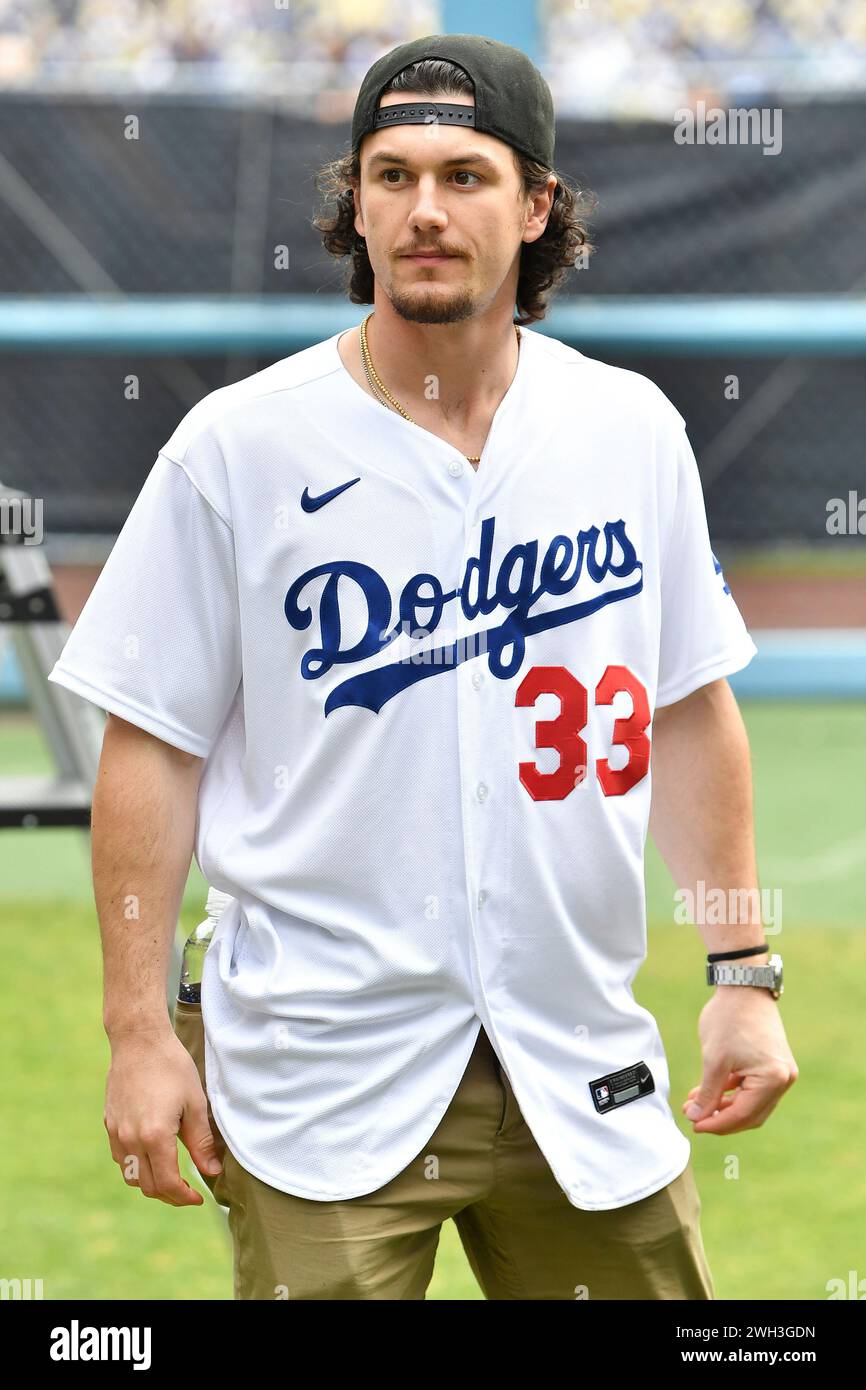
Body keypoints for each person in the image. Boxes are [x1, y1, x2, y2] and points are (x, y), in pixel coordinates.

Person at [48, 33, 797, 1300]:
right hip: (317, 1069)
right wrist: (136, 1032)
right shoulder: (236, 445)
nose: (424, 211)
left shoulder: (628, 430)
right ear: (355, 201)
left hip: (578, 1059)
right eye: (389, 176)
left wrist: (738, 974)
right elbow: (151, 749)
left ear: (538, 203)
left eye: (464, 174)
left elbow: (686, 712)